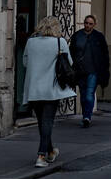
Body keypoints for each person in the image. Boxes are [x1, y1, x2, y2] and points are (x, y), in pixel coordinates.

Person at [21, 16, 76, 166]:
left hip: (34, 88)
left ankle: (51, 151)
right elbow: (69, 63)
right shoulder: (60, 42)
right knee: (47, 122)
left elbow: (25, 62)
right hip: (51, 88)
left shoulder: (31, 42)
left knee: (42, 122)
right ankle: (41, 155)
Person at [70, 14, 110, 127]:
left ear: (94, 25)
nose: (88, 25)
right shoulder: (77, 36)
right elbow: (72, 51)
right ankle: (85, 115)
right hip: (80, 70)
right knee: (83, 94)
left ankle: (87, 116)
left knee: (89, 93)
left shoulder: (99, 37)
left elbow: (105, 55)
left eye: (90, 24)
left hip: (93, 70)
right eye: (86, 23)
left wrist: (105, 69)